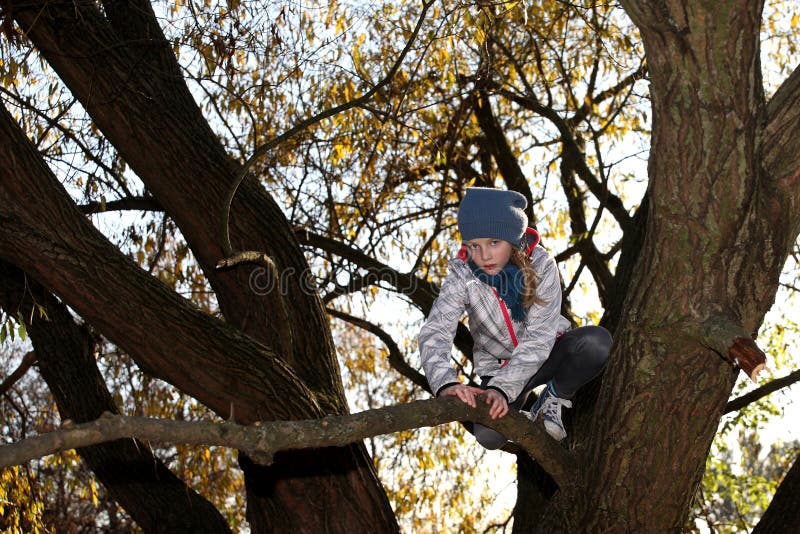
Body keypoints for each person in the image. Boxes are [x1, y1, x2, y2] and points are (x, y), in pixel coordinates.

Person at [418, 187, 611, 447]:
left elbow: (539, 337)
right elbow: (436, 331)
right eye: (474, 245)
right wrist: (445, 383)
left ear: (512, 238)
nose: (484, 255)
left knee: (596, 343)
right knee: (488, 436)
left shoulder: (542, 264)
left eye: (494, 243)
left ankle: (553, 397)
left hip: (549, 351)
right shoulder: (462, 275)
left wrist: (502, 390)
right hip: (499, 368)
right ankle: (523, 417)